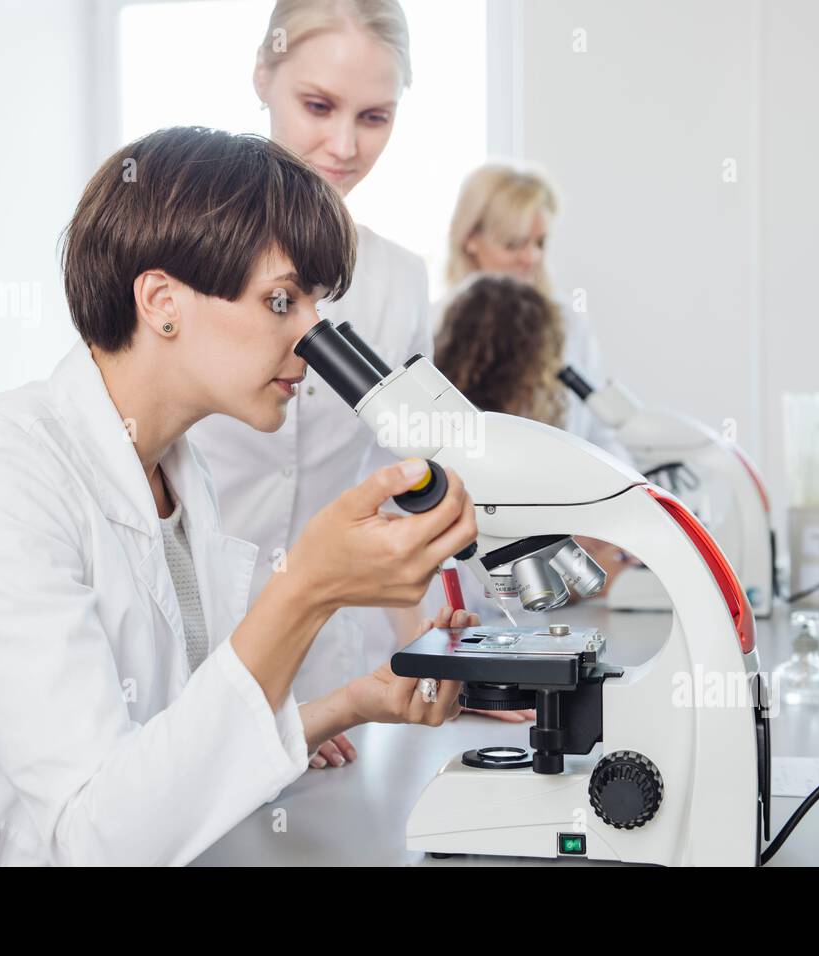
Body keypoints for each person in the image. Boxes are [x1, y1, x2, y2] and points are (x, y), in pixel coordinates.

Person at [0, 127, 478, 867]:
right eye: (281, 300)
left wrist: (344, 705)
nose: (312, 334)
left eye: (315, 302)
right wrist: (306, 590)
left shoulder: (177, 472)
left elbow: (163, 750)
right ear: (161, 301)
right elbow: (98, 835)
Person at [188, 0, 513, 770]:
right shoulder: (185, 256)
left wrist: (443, 662)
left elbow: (391, 486)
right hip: (191, 657)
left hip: (327, 676)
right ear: (262, 75)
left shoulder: (398, 280)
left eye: (374, 117)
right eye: (317, 106)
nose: (343, 144)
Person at [434, 273, 637, 612]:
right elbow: (499, 596)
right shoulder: (476, 457)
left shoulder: (471, 437)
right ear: (532, 371)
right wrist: (597, 581)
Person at [443, 163, 629, 461]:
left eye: (540, 242)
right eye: (514, 244)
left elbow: (600, 434)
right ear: (470, 240)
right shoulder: (436, 324)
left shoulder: (567, 322)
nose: (531, 257)